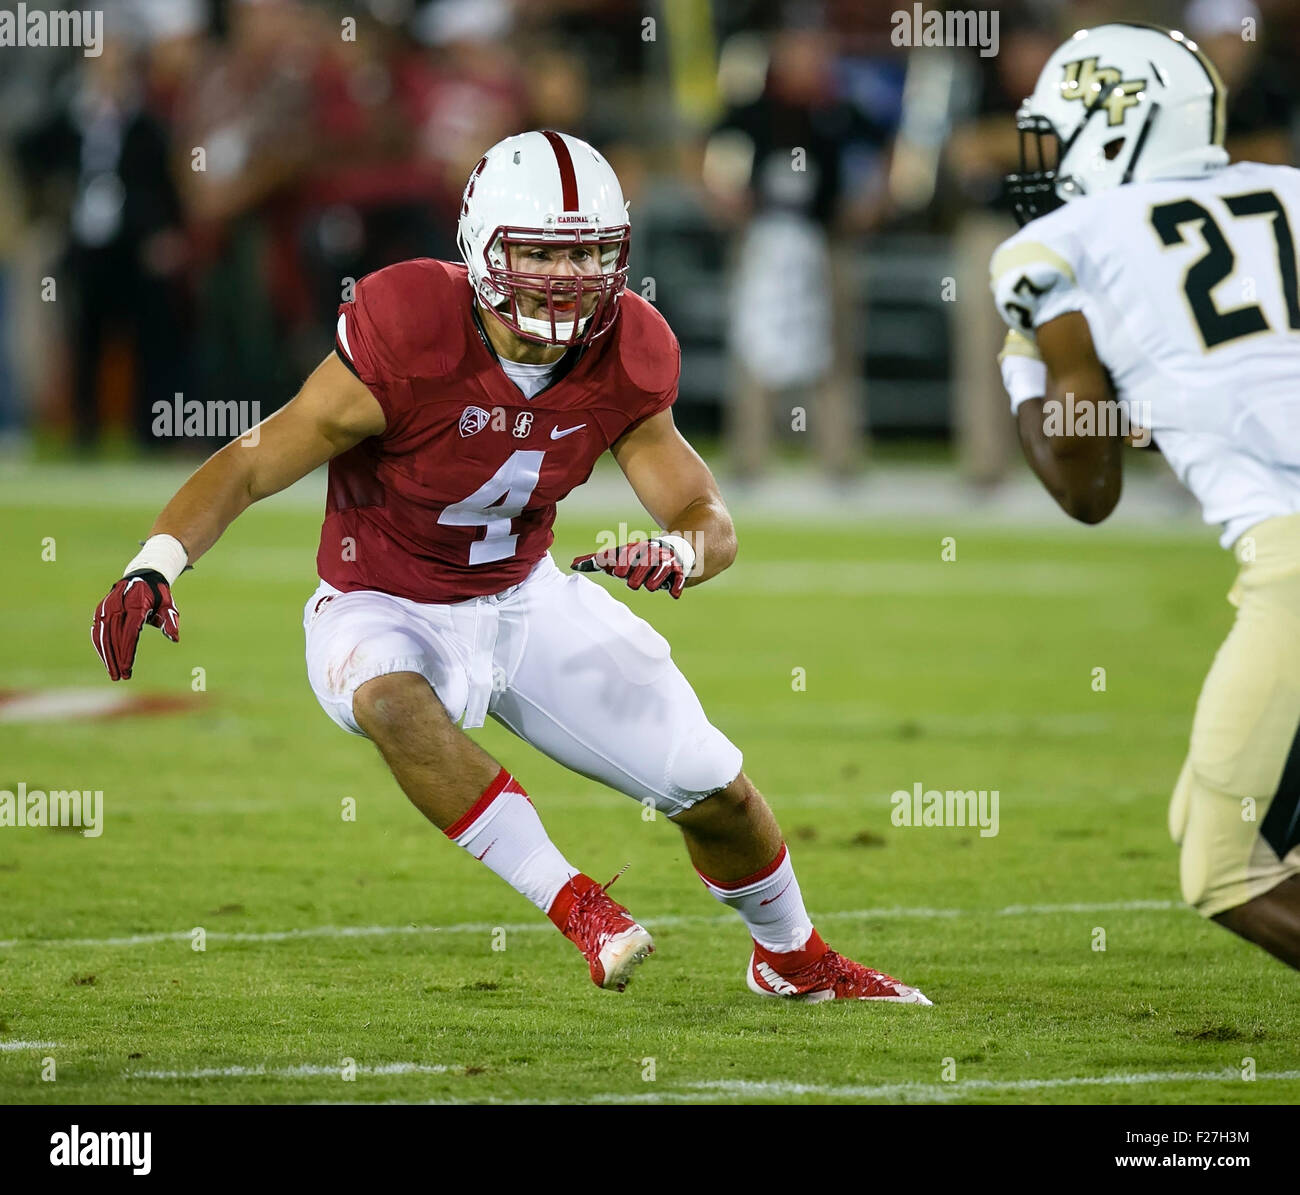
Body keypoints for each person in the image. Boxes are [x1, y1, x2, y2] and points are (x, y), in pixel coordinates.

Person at [92, 130, 931, 1004]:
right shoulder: (409, 326)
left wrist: (679, 549)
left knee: (710, 784)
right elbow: (257, 459)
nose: (564, 279)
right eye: (537, 251)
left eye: (588, 256)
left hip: (524, 599)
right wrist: (157, 562)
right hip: (380, 598)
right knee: (387, 693)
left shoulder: (625, 347)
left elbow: (706, 514)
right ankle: (579, 906)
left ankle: (793, 959)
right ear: (481, 245)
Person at [990, 24, 1300, 968]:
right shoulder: (1288, 189)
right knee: (1228, 818)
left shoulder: (1066, 244)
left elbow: (1088, 488)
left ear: (1115, 132)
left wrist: (1022, 369)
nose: (1044, 160)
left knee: (1229, 869)